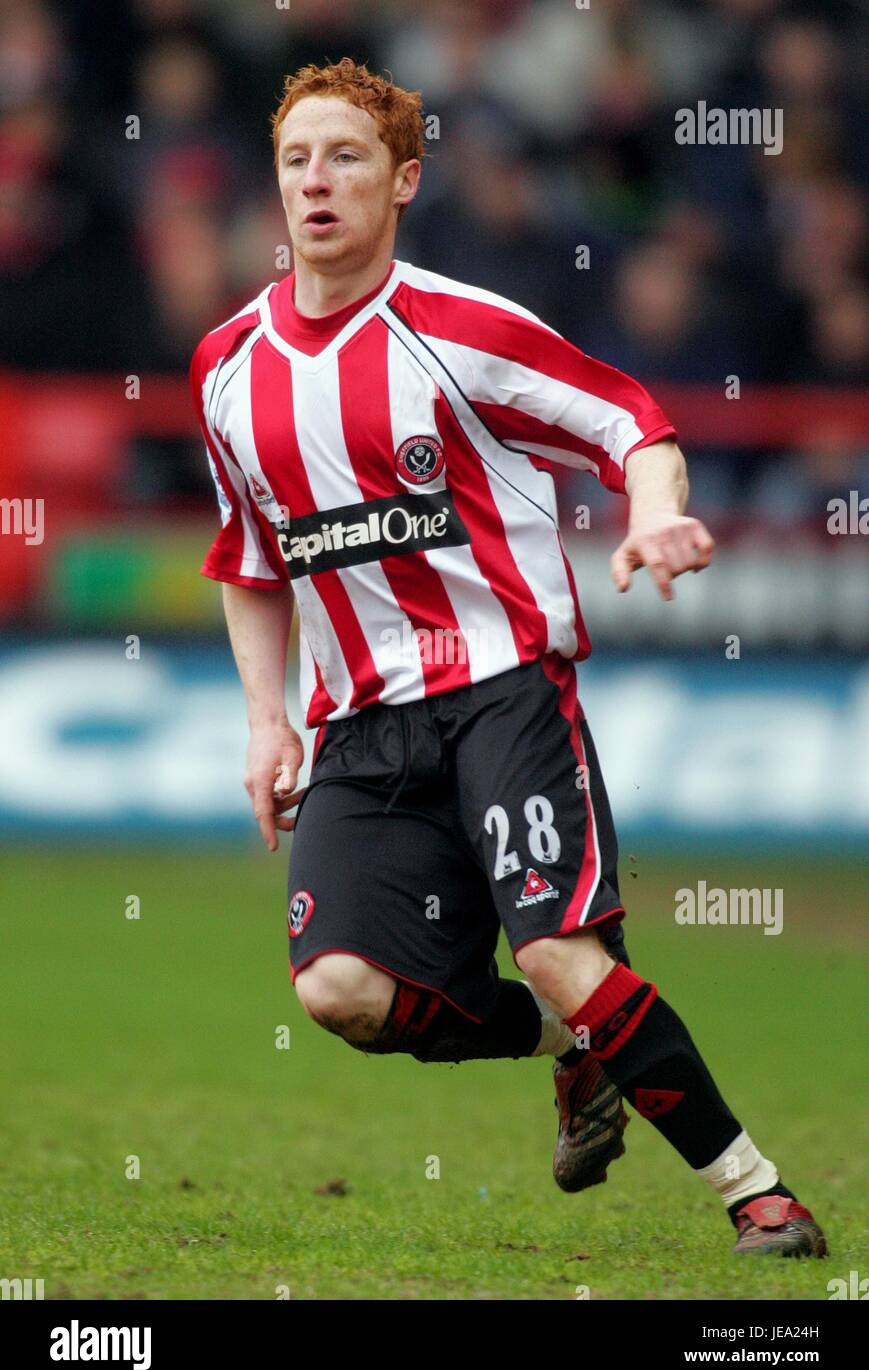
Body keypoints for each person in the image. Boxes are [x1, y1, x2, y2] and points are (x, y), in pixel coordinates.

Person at [190, 59, 826, 1258]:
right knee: (340, 994)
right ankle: (569, 1040)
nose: (316, 182)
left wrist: (650, 508)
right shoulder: (226, 368)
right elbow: (250, 557)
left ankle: (758, 1192)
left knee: (552, 944)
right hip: (360, 726)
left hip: (500, 691)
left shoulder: (463, 331)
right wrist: (265, 721)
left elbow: (629, 420)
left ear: (403, 179)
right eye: (294, 160)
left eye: (346, 158)